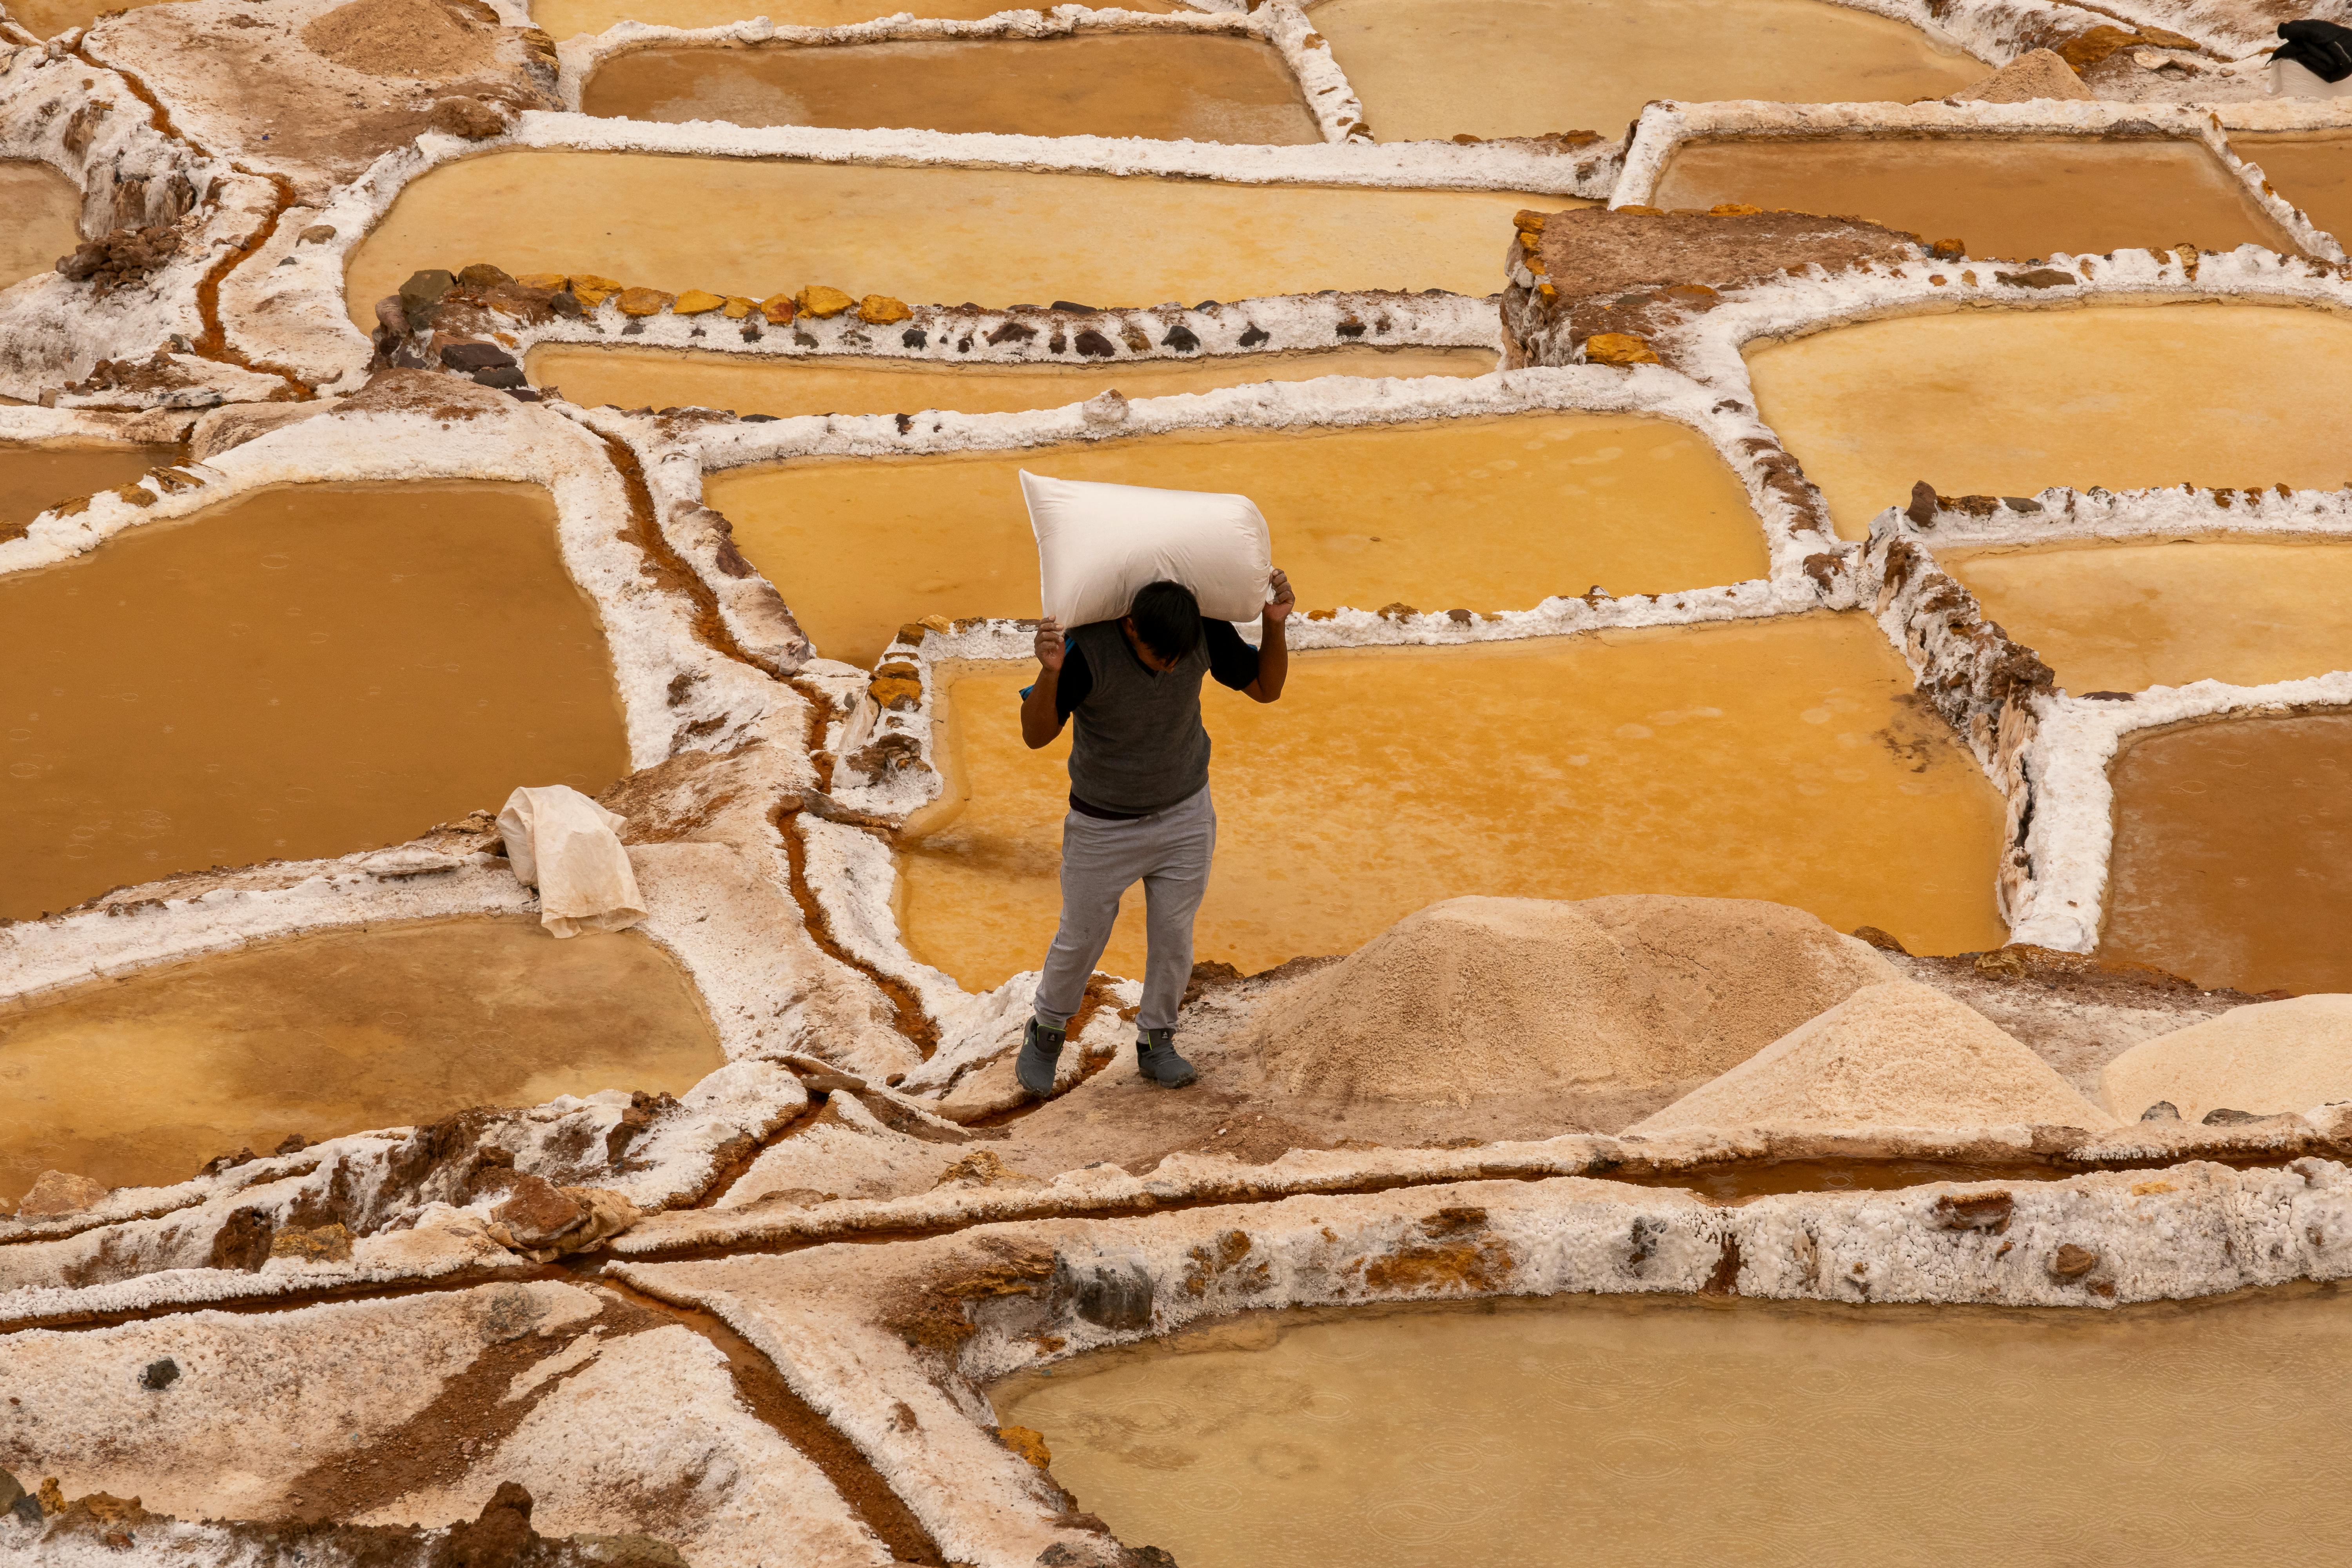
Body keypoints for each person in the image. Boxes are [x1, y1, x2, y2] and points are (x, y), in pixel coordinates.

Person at [1014, 569, 1294, 1097]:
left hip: (1186, 814)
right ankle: (1048, 1031)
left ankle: (1157, 1042)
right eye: (1160, 656)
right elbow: (1036, 735)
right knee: (1080, 938)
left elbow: (1267, 688)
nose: (1171, 666)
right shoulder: (1089, 650)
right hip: (1102, 825)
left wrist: (1274, 626)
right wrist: (1050, 673)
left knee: (1173, 938)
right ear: (1130, 627)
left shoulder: (1199, 633)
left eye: (1178, 658)